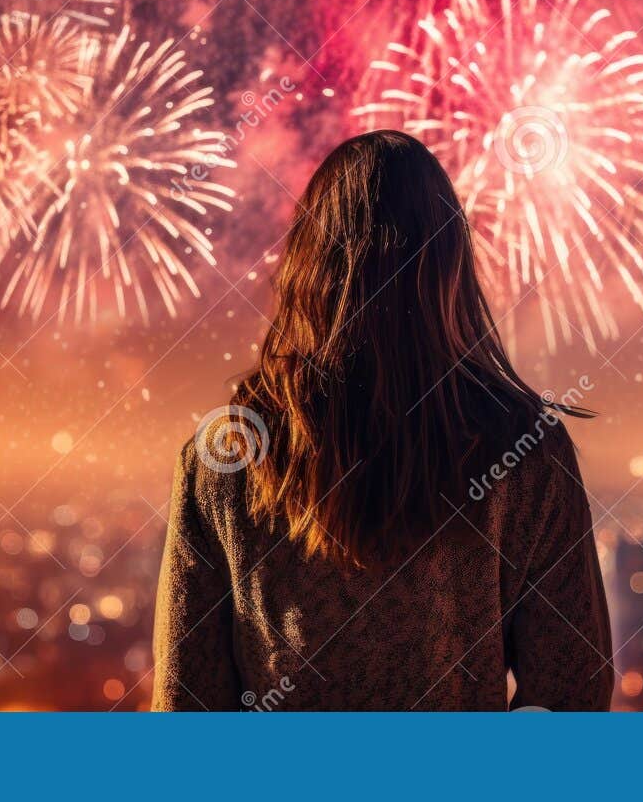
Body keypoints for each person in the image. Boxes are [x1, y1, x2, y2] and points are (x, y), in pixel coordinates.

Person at [153, 130, 613, 710]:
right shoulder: (523, 452)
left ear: (308, 261)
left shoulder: (228, 456)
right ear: (451, 263)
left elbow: (186, 706)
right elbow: (574, 689)